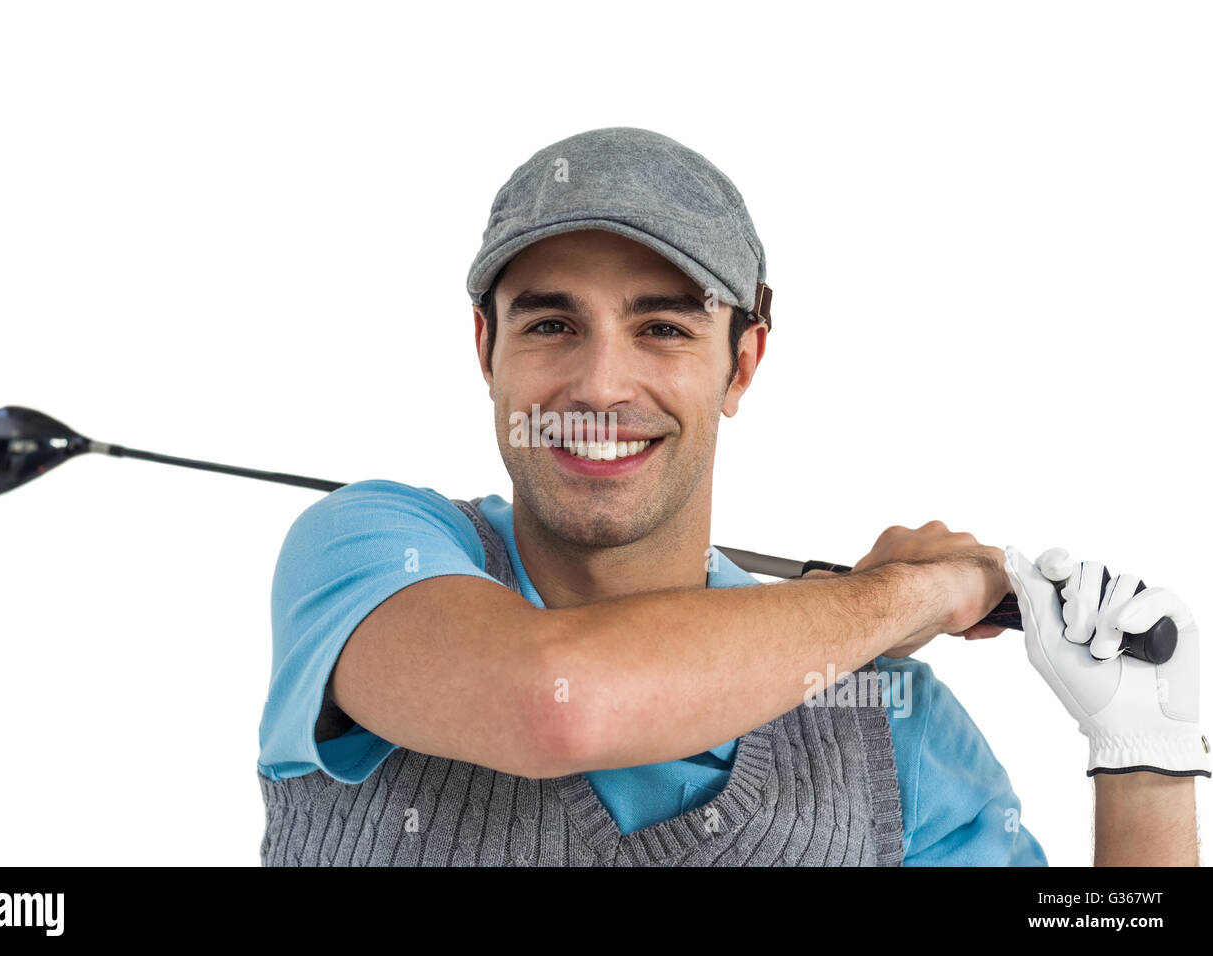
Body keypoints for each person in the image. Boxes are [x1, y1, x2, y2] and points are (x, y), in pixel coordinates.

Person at [255, 127, 1206, 866]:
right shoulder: (371, 552)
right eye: (551, 323)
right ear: (485, 351)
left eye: (663, 328)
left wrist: (1146, 762)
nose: (597, 387)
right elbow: (557, 704)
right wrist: (918, 594)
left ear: (741, 364)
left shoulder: (889, 719)